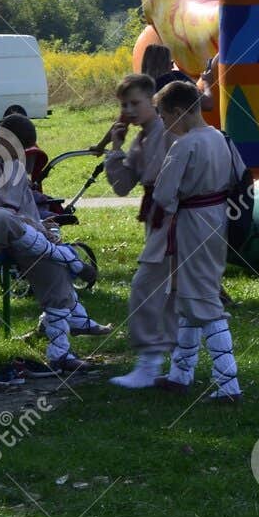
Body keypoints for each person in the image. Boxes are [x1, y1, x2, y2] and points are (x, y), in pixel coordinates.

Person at [0, 114, 99, 373]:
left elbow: (29, 212)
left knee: (49, 263)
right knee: (2, 217)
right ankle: (69, 258)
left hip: (20, 236)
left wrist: (44, 230)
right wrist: (19, 221)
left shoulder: (18, 167)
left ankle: (60, 354)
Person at [149, 81, 245, 402]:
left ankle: (228, 383)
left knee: (203, 301)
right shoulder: (221, 137)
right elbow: (238, 176)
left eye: (164, 117)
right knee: (189, 298)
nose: (164, 124)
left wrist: (173, 205)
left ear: (178, 112)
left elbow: (163, 193)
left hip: (193, 223)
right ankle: (181, 372)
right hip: (217, 219)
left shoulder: (185, 145)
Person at [100, 73, 175, 389]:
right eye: (124, 104)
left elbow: (164, 178)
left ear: (153, 101)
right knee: (171, 291)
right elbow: (121, 186)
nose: (129, 110)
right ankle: (175, 362)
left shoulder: (166, 132)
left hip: (172, 216)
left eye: (135, 103)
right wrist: (115, 147)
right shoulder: (141, 138)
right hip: (155, 216)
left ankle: (150, 362)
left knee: (146, 286)